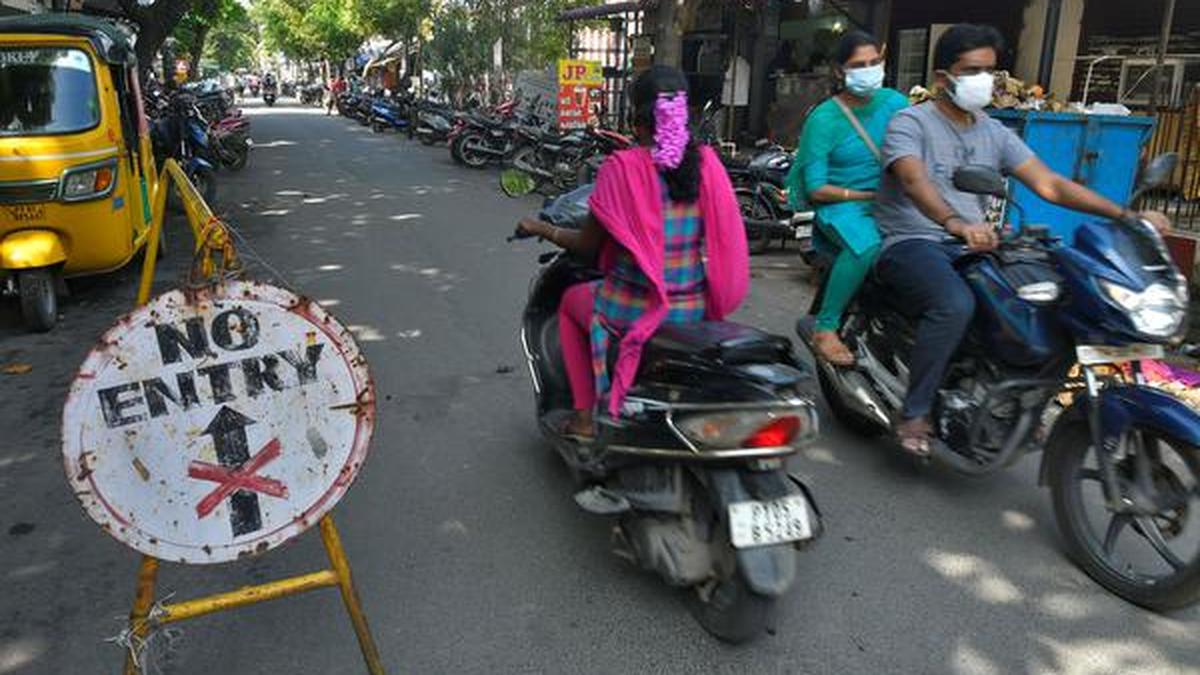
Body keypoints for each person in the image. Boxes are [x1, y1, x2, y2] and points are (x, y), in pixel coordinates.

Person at [874, 23, 1170, 456]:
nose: (984, 80)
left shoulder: (993, 131)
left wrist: (1127, 215)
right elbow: (914, 181)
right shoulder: (910, 122)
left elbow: (1049, 184)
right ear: (943, 78)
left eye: (990, 71)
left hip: (974, 243)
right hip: (913, 238)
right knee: (954, 304)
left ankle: (1023, 399)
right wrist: (956, 222)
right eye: (971, 70)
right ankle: (915, 412)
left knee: (1059, 299)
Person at [517, 65, 749, 437]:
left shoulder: (620, 168)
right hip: (693, 306)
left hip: (633, 308)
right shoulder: (706, 164)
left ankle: (581, 418)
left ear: (637, 121)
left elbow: (588, 246)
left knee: (570, 304)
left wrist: (542, 227)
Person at [788, 30, 907, 365]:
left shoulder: (896, 103)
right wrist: (867, 194)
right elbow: (816, 188)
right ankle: (826, 327)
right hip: (840, 207)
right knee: (866, 245)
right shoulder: (824, 118)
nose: (869, 70)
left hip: (893, 201)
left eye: (874, 62)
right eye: (859, 65)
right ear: (840, 70)